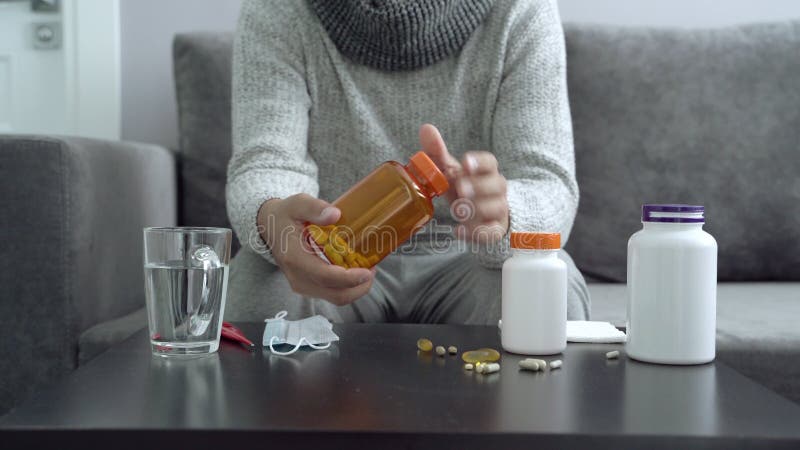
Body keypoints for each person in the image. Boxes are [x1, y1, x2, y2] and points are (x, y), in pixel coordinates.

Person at [225, 0, 590, 323]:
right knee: (259, 287)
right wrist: (276, 224)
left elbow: (547, 181)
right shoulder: (278, 9)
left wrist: (503, 215)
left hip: (469, 260)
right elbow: (266, 164)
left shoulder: (520, 10)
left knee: (548, 289)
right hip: (334, 250)